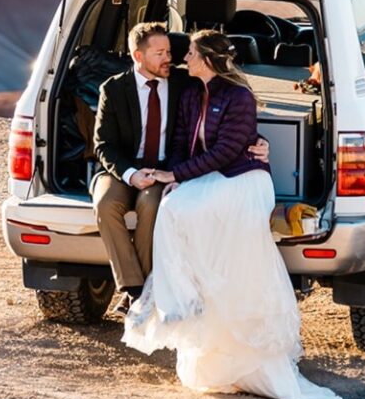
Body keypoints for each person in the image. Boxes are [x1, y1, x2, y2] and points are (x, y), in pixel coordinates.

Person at [122, 29, 345, 399]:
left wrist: (176, 176)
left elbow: (226, 152)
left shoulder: (239, 97)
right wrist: (174, 175)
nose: (183, 58)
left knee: (184, 212)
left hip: (243, 179)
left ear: (208, 60)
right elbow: (179, 143)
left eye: (190, 53)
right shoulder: (192, 92)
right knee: (173, 207)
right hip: (207, 178)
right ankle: (183, 304)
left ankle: (181, 303)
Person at [92, 22, 268, 313]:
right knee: (105, 203)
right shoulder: (112, 89)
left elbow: (228, 112)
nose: (169, 59)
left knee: (153, 206)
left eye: (170, 52)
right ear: (138, 56)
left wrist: (260, 140)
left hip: (164, 167)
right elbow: (103, 144)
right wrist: (130, 175)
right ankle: (134, 288)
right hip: (121, 169)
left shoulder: (184, 84)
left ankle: (146, 291)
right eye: (159, 53)